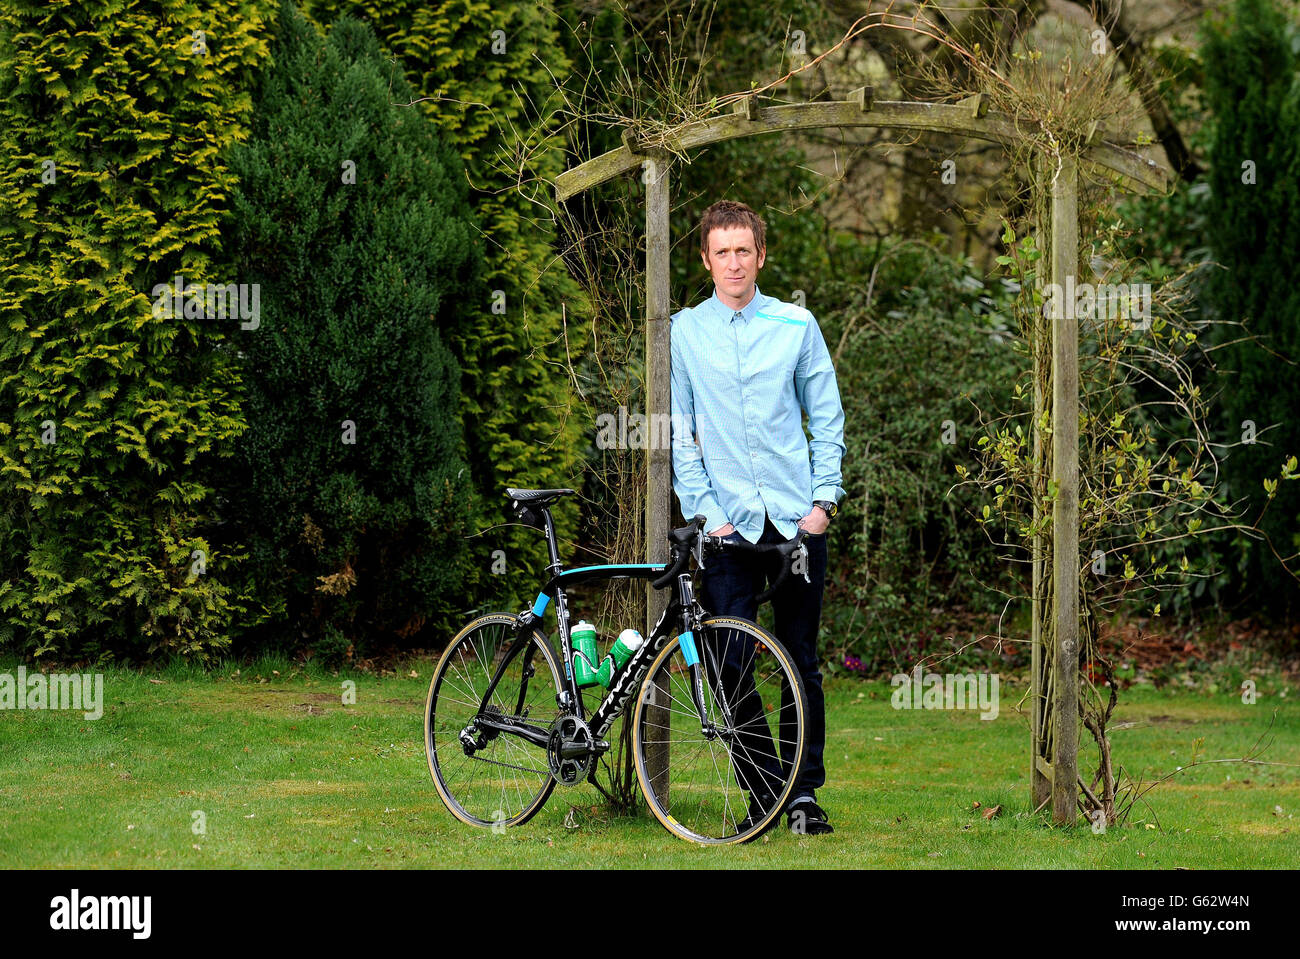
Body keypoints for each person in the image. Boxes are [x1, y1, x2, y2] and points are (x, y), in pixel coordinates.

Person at [669, 199, 847, 835]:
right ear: (707, 260)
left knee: (800, 660)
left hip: (796, 523)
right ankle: (764, 791)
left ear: (761, 256)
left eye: (744, 250)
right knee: (730, 664)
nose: (734, 262)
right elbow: (681, 431)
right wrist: (705, 512)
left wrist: (822, 505)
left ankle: (802, 796)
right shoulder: (684, 333)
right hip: (725, 527)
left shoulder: (797, 326)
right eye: (723, 251)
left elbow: (826, 417)